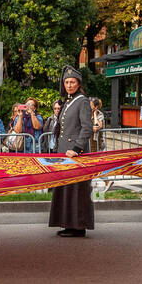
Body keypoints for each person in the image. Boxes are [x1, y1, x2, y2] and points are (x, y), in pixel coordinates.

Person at [49, 66, 94, 238]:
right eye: (66, 82)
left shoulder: (82, 101)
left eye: (72, 82)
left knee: (76, 191)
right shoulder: (68, 101)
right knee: (66, 189)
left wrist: (77, 148)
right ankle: (69, 224)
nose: (69, 85)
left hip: (75, 153)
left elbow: (87, 128)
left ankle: (78, 226)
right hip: (64, 152)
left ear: (78, 83)